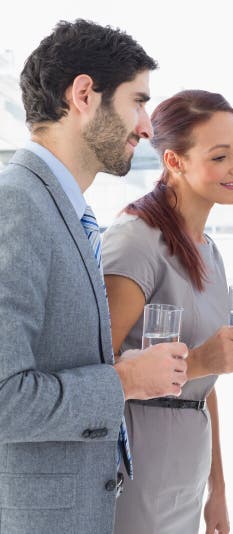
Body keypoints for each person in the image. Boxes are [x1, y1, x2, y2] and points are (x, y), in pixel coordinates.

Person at [0, 19, 189, 533]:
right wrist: (124, 381)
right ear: (84, 94)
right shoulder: (17, 205)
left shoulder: (62, 208)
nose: (146, 127)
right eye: (138, 102)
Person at [101, 90, 233, 534]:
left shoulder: (208, 250)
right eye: (220, 156)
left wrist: (219, 490)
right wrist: (202, 360)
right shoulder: (136, 241)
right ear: (174, 161)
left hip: (188, 465)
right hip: (137, 463)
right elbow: (93, 373)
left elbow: (204, 387)